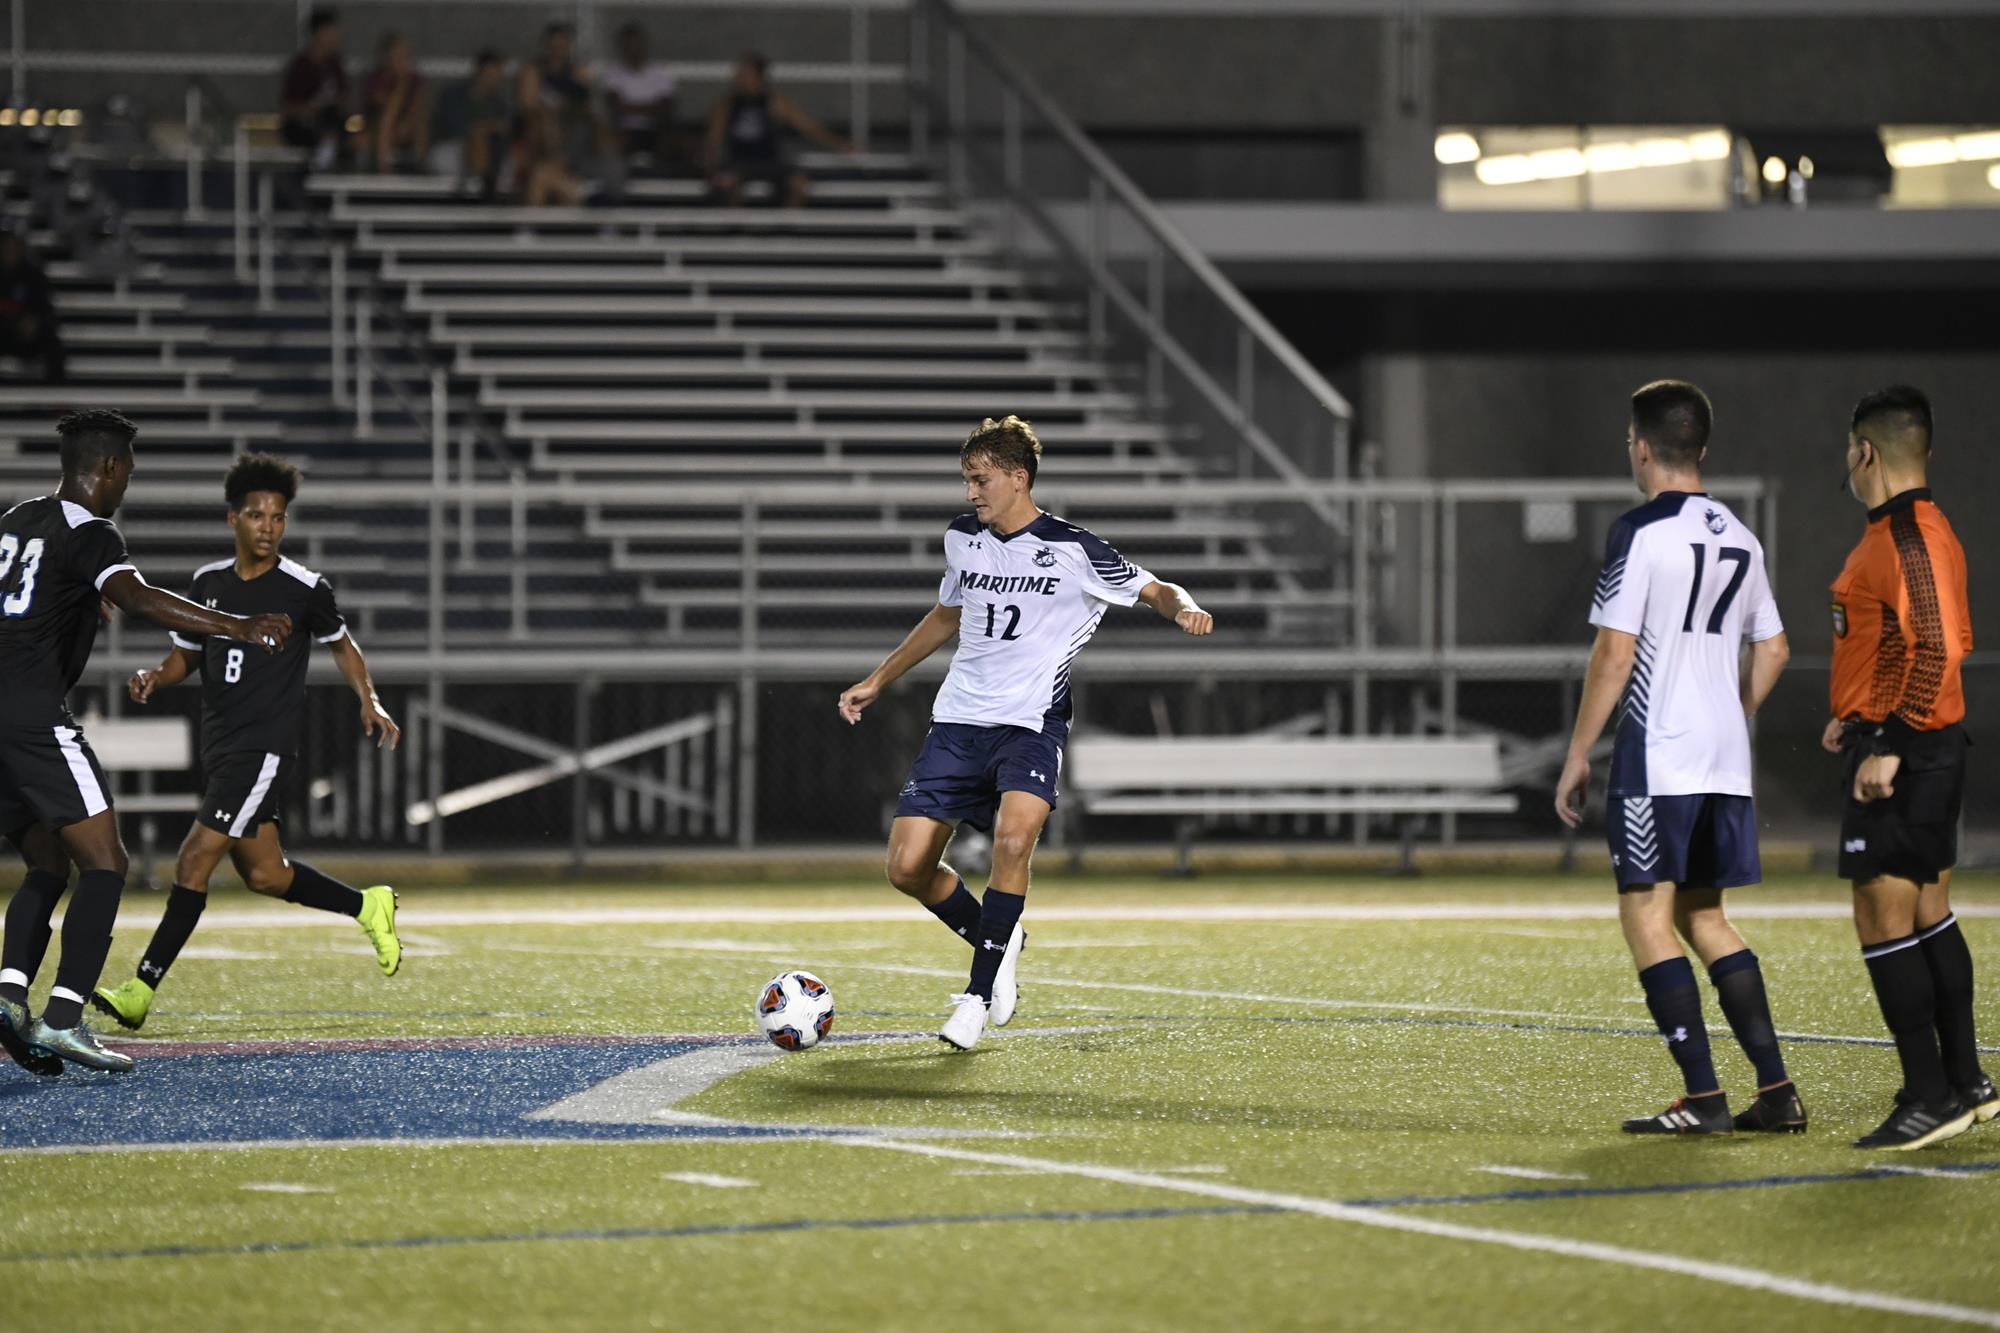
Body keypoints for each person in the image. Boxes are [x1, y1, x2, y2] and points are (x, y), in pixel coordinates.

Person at [837, 416, 1213, 1051]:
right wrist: (879, 679)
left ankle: (976, 999)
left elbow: (1156, 589)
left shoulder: (1073, 548)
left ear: (1018, 478)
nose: (970, 493)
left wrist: (1186, 607)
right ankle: (1001, 934)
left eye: (980, 480)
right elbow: (946, 614)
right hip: (958, 722)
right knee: (906, 869)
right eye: (966, 480)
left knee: (1013, 843)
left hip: (1031, 725)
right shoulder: (963, 538)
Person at [0, 410, 293, 1075]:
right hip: (32, 718)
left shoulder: (18, 519)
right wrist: (237, 626)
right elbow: (138, 597)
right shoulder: (92, 530)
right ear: (108, 466)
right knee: (106, 863)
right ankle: (64, 1019)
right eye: (127, 470)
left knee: (47, 863)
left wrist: (74, 600)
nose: (128, 481)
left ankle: (10, 997)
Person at [1556, 380, 1802, 1136]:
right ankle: (1777, 1091)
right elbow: (1775, 648)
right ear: (1700, 447)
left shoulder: (1639, 531)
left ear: (1640, 446)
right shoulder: (1742, 536)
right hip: (1724, 758)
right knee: (1706, 914)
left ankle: (1703, 1098)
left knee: (1646, 914)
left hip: (1659, 754)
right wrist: (1729, 712)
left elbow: (1614, 653)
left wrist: (1577, 753)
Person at [92, 453, 402, 1034]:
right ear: (233, 517)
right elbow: (188, 655)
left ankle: (141, 988)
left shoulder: (304, 587)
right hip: (222, 745)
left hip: (262, 747)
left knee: (194, 859)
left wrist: (370, 698)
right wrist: (157, 676)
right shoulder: (208, 583)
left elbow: (342, 644)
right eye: (257, 515)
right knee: (266, 875)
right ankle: (368, 905)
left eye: (278, 517)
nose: (268, 527)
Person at [1825, 385, 1989, 1151]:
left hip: (1911, 752)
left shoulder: (1904, 535)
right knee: (1928, 910)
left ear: (1867, 452)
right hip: (1920, 742)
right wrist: (1855, 714)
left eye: (1849, 449)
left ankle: (1929, 1095)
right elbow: (1905, 640)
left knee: (1881, 916)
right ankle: (1967, 1081)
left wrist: (1887, 741)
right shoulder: (1924, 529)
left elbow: (1939, 645)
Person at [705, 52, 851, 208]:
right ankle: (737, 222)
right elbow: (714, 139)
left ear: (759, 76)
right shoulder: (726, 105)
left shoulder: (774, 102)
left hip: (770, 161)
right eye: (739, 74)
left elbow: (808, 127)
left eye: (745, 74)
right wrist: (711, 168)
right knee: (726, 183)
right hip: (738, 161)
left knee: (799, 183)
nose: (739, 78)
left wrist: (839, 144)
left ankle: (787, 221)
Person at [517, 22, 599, 206]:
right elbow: (528, 107)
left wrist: (564, 108)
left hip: (570, 141)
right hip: (540, 142)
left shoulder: (579, 74)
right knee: (543, 177)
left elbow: (586, 111)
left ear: (569, 46)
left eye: (562, 45)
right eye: (554, 45)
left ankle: (573, 190)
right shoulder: (533, 71)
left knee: (542, 178)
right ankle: (577, 192)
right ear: (546, 45)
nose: (558, 50)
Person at [599, 22, 684, 173]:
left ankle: (664, 176)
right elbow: (615, 107)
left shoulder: (660, 72)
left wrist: (629, 106)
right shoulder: (612, 74)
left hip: (656, 128)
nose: (633, 48)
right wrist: (651, 107)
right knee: (610, 139)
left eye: (636, 43)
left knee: (673, 136)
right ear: (621, 47)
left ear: (644, 45)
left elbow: (666, 106)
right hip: (625, 129)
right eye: (628, 44)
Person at [429, 49, 512, 196]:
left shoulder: (500, 104)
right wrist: (486, 127)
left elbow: (505, 131)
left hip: (490, 153)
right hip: (453, 148)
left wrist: (488, 130)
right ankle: (483, 193)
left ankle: (482, 189)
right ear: (479, 72)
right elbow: (454, 127)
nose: (492, 79)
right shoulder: (453, 95)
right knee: (478, 136)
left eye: (496, 75)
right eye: (489, 74)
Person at [280, 6, 348, 172]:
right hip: (303, 125)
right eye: (331, 32)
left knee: (337, 123)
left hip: (329, 123)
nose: (336, 37)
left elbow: (343, 98)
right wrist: (313, 109)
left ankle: (326, 160)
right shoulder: (301, 66)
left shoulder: (334, 64)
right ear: (319, 34)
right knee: (324, 126)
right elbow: (288, 108)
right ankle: (321, 165)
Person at [0, 233, 64, 384]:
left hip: (27, 333)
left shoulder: (33, 275)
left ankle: (56, 392)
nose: (10, 252)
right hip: (3, 331)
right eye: (6, 249)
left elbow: (44, 307)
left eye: (14, 248)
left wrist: (35, 322)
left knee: (53, 344)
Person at [364, 31, 428, 174]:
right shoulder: (376, 77)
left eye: (405, 55)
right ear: (387, 57)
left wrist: (407, 124)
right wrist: (401, 83)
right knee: (385, 123)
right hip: (378, 124)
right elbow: (387, 109)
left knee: (421, 123)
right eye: (398, 55)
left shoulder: (415, 79)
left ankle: (421, 169)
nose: (403, 59)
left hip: (406, 125)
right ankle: (385, 171)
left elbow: (417, 107)